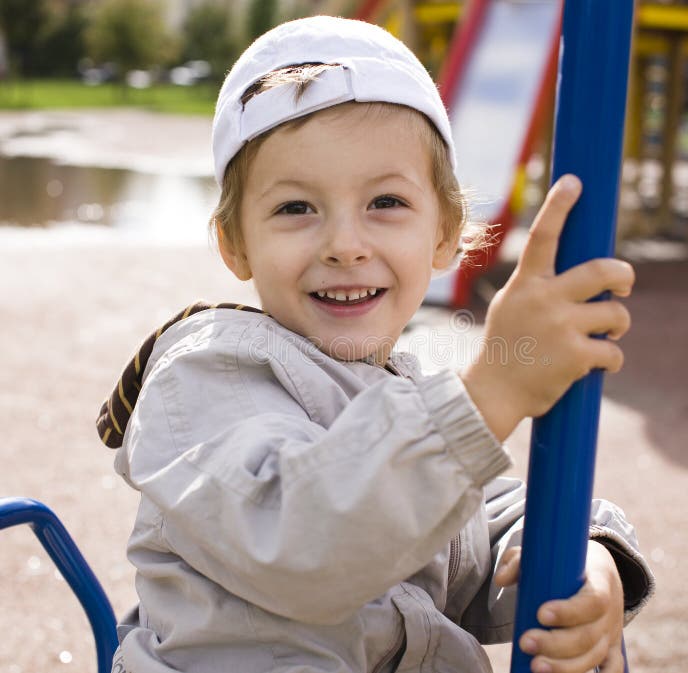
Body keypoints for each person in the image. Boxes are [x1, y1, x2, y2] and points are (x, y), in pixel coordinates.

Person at [98, 15, 654, 673]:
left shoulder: (404, 387)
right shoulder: (202, 378)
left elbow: (469, 529)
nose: (345, 244)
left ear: (446, 233)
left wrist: (588, 554)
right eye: (296, 208)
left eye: (385, 201)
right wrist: (491, 395)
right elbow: (302, 537)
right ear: (235, 244)